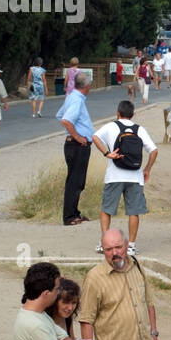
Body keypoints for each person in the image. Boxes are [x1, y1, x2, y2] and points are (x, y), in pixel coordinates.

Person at [93, 101, 158, 255]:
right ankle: (131, 245)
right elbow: (154, 151)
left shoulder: (110, 126)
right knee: (133, 211)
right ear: (133, 114)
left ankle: (105, 243)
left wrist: (107, 153)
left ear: (118, 113)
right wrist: (147, 169)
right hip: (135, 176)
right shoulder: (139, 129)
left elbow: (95, 137)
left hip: (114, 175)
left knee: (107, 209)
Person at [56, 72, 94, 226]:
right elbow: (65, 120)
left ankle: (74, 212)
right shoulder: (77, 100)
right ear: (87, 86)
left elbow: (59, 115)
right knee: (75, 181)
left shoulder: (72, 97)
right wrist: (78, 136)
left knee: (77, 180)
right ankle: (69, 216)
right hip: (77, 145)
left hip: (75, 144)